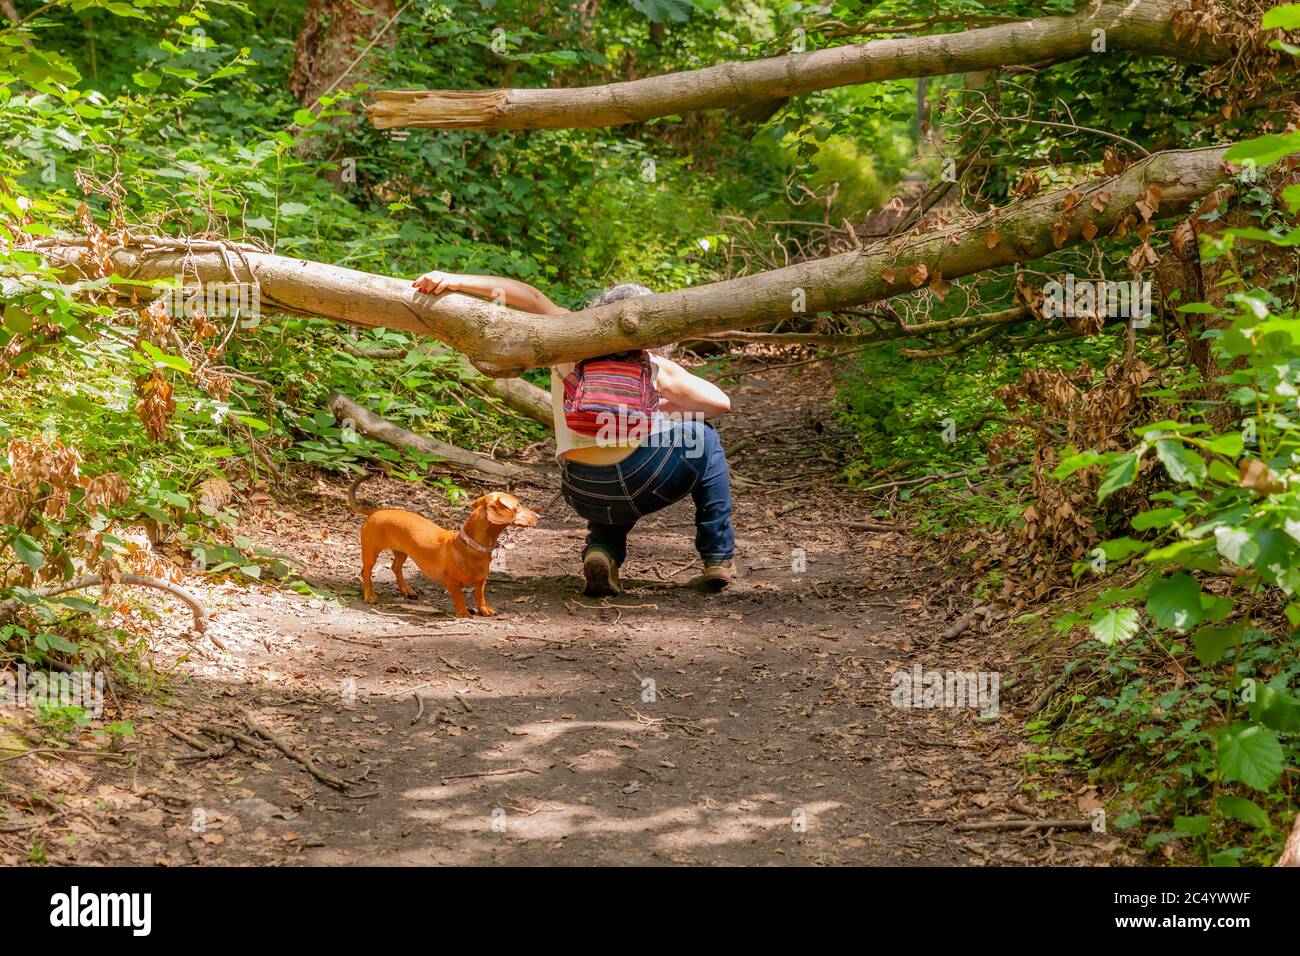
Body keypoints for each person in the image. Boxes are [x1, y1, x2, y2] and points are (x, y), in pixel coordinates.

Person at [412, 270, 737, 596]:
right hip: (643, 480)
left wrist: (454, 280)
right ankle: (717, 556)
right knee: (702, 435)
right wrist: (659, 409)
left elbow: (530, 295)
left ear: (600, 311)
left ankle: (602, 551)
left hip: (583, 488)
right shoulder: (652, 364)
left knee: (606, 469)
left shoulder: (569, 342)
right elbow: (720, 404)